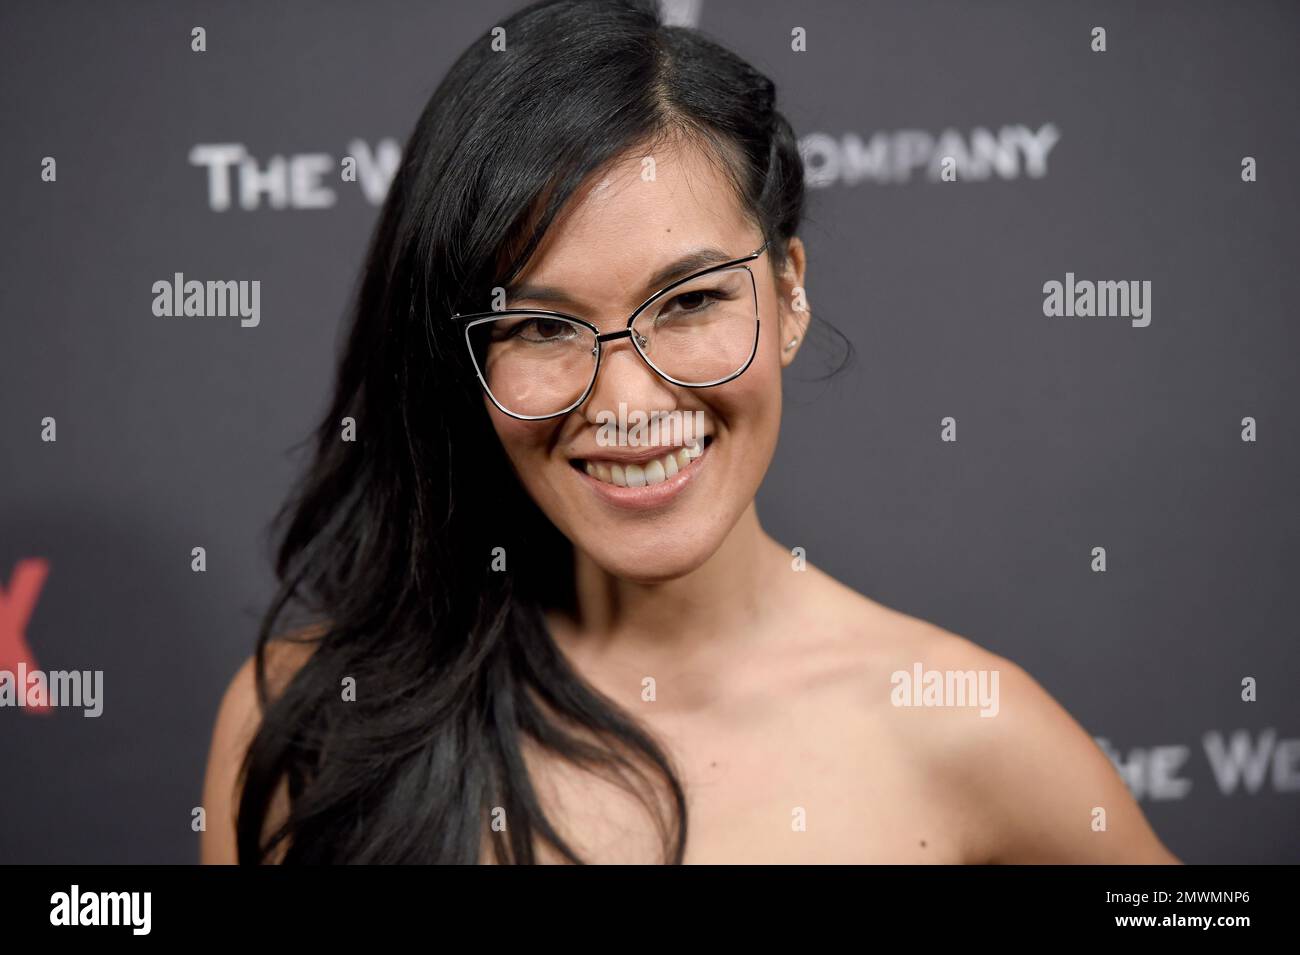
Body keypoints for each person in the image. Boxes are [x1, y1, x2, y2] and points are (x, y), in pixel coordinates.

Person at [201, 0, 1179, 864]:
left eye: (689, 300)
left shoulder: (970, 730)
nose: (625, 399)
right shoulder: (316, 721)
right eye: (540, 324)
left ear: (789, 293)